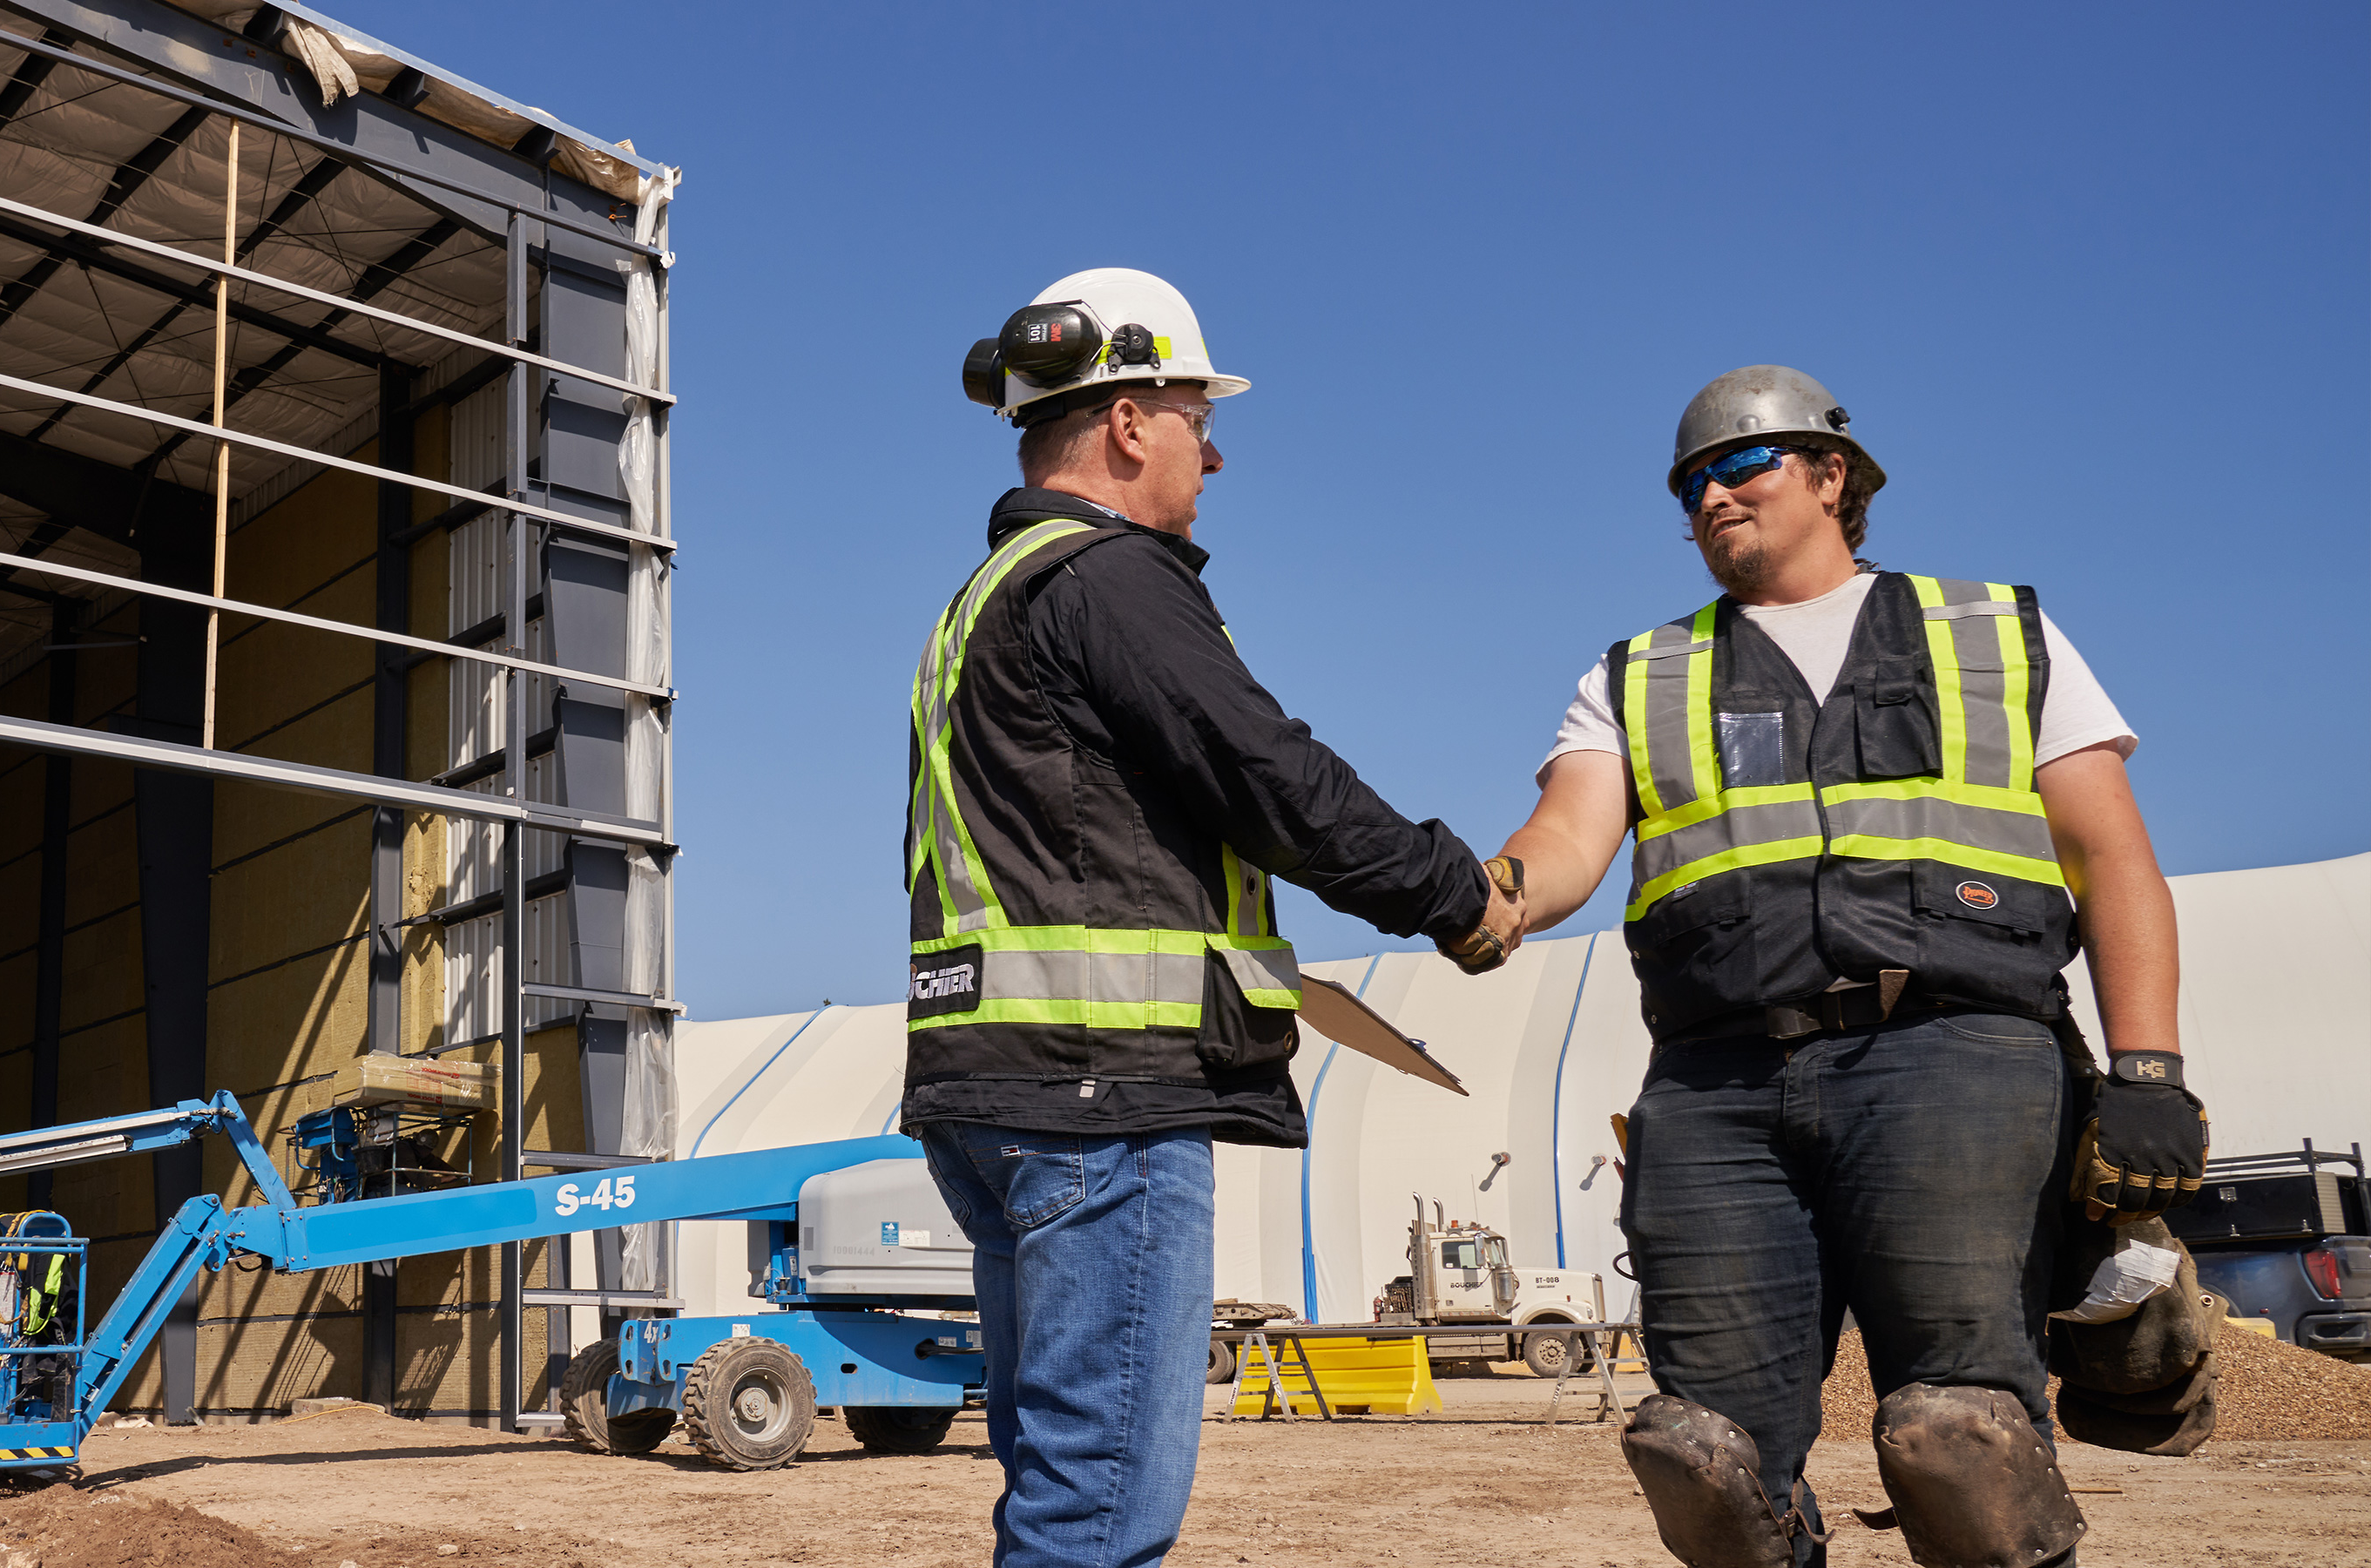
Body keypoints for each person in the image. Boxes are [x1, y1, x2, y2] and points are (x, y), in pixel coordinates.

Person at [1487, 366, 2206, 1567]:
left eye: (1740, 465)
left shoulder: (1992, 632)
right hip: (1718, 1089)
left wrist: (2148, 1066)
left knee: (1962, 1442)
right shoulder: (1640, 674)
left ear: (1834, 477)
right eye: (1690, 482)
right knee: (1706, 1461)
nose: (1711, 495)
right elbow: (1564, 839)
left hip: (1957, 1061)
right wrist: (1489, 896)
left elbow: (2112, 854)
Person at [905, 268, 1523, 1567]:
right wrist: (1456, 896)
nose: (1214, 451)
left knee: (1051, 1483)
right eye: (1196, 415)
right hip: (1100, 1100)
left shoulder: (987, 595)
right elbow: (1268, 776)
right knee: (1098, 1513)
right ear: (1131, 421)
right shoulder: (1110, 578)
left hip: (992, 1092)